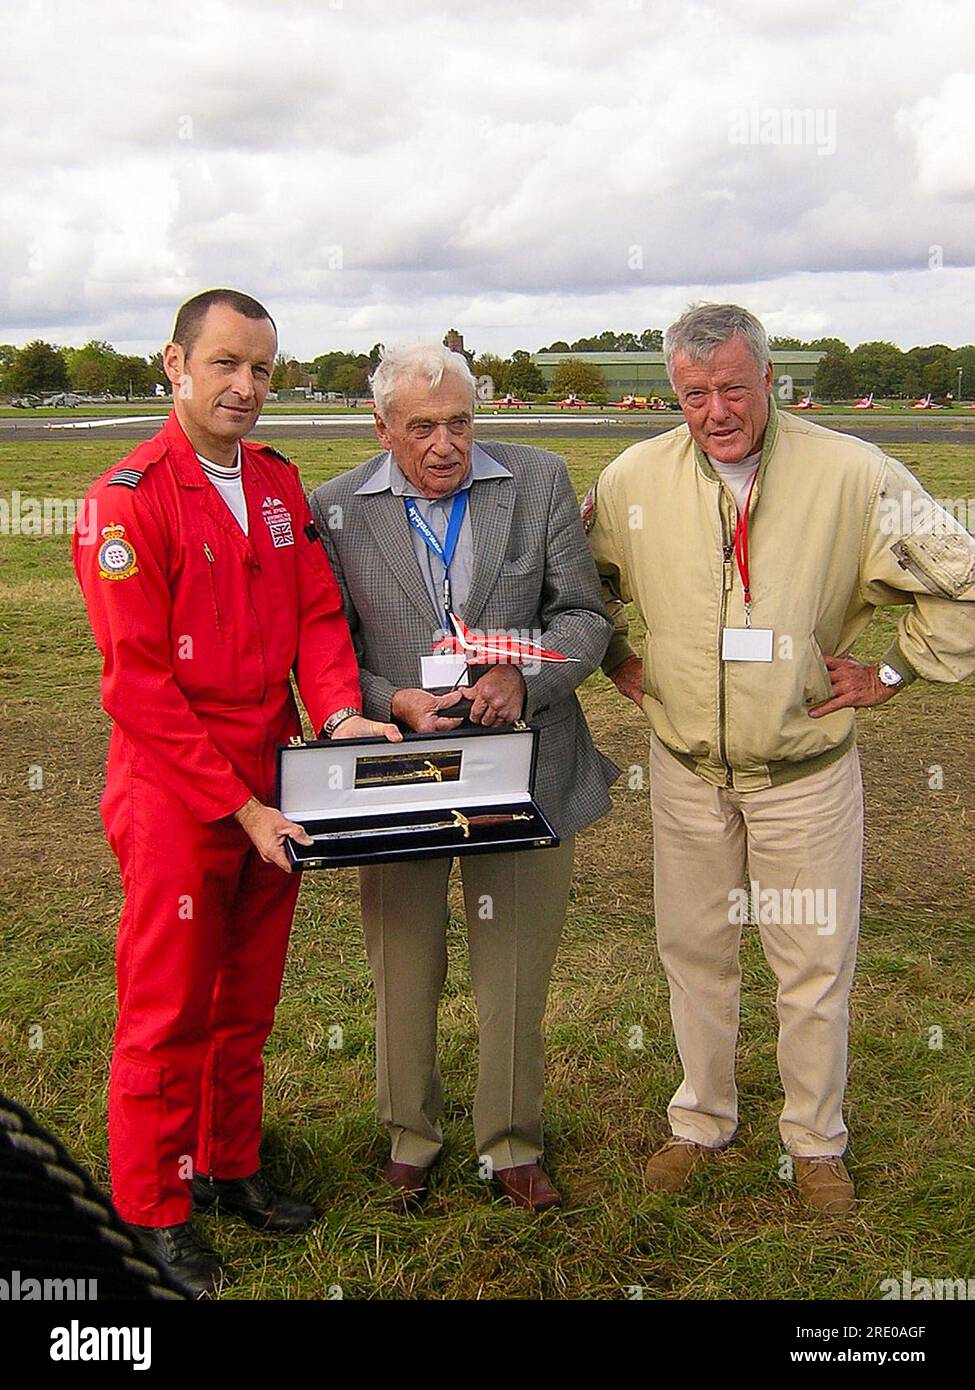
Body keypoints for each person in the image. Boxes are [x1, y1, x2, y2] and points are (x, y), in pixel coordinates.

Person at [585, 302, 975, 1216]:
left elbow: (961, 578)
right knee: (694, 951)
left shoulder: (852, 472)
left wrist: (892, 669)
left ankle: (814, 1140)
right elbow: (577, 584)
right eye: (692, 395)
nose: (714, 411)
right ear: (672, 395)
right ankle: (701, 1119)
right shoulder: (634, 476)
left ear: (769, 381)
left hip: (802, 774)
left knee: (810, 962)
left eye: (731, 387)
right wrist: (615, 656)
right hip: (685, 773)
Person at [73, 289, 399, 1293]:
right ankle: (152, 1206)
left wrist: (340, 715)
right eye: (224, 364)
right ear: (173, 364)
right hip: (180, 788)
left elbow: (313, 614)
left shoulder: (273, 484)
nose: (246, 386)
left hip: (277, 772)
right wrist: (243, 806)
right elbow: (137, 684)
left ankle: (226, 1162)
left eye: (261, 367)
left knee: (246, 998)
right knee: (168, 1009)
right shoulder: (126, 499)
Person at [310, 344, 617, 1211]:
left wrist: (527, 678)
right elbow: (325, 649)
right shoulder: (333, 508)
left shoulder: (539, 479)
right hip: (399, 772)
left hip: (524, 765)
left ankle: (510, 1141)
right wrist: (392, 698)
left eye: (459, 422)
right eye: (421, 429)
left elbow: (582, 615)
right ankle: (410, 1134)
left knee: (514, 968)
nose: (445, 445)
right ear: (381, 428)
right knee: (402, 961)